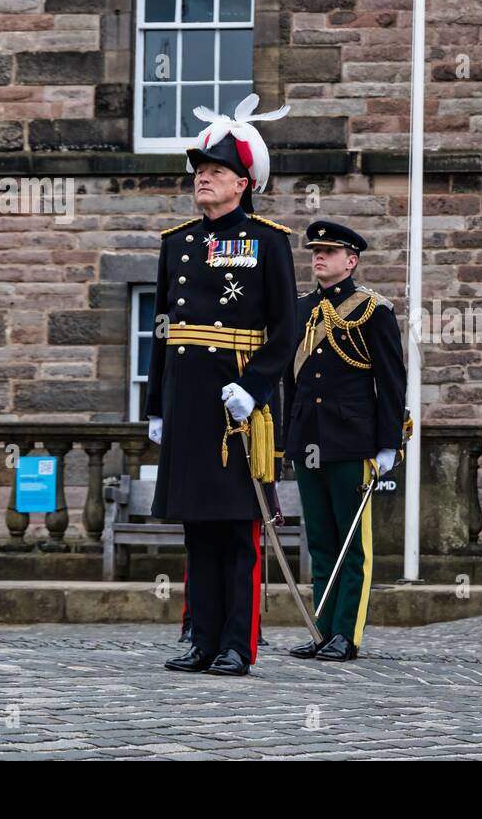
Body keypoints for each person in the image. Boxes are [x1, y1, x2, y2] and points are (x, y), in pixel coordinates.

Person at [148, 95, 297, 677]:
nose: (202, 179)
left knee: (237, 529)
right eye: (199, 172)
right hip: (189, 403)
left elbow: (285, 331)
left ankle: (238, 642)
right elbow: (162, 330)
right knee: (197, 529)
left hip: (239, 407)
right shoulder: (177, 242)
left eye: (215, 172)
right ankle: (199, 637)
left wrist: (256, 388)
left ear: (243, 184)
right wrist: (156, 404)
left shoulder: (267, 240)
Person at [284, 220, 407, 662]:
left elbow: (391, 383)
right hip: (308, 438)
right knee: (320, 540)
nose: (319, 257)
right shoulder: (299, 310)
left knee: (353, 542)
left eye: (330, 252)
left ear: (351, 260)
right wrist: (285, 441)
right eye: (316, 251)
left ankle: (346, 634)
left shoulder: (374, 310)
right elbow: (290, 383)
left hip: (352, 440)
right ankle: (322, 629)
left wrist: (388, 445)